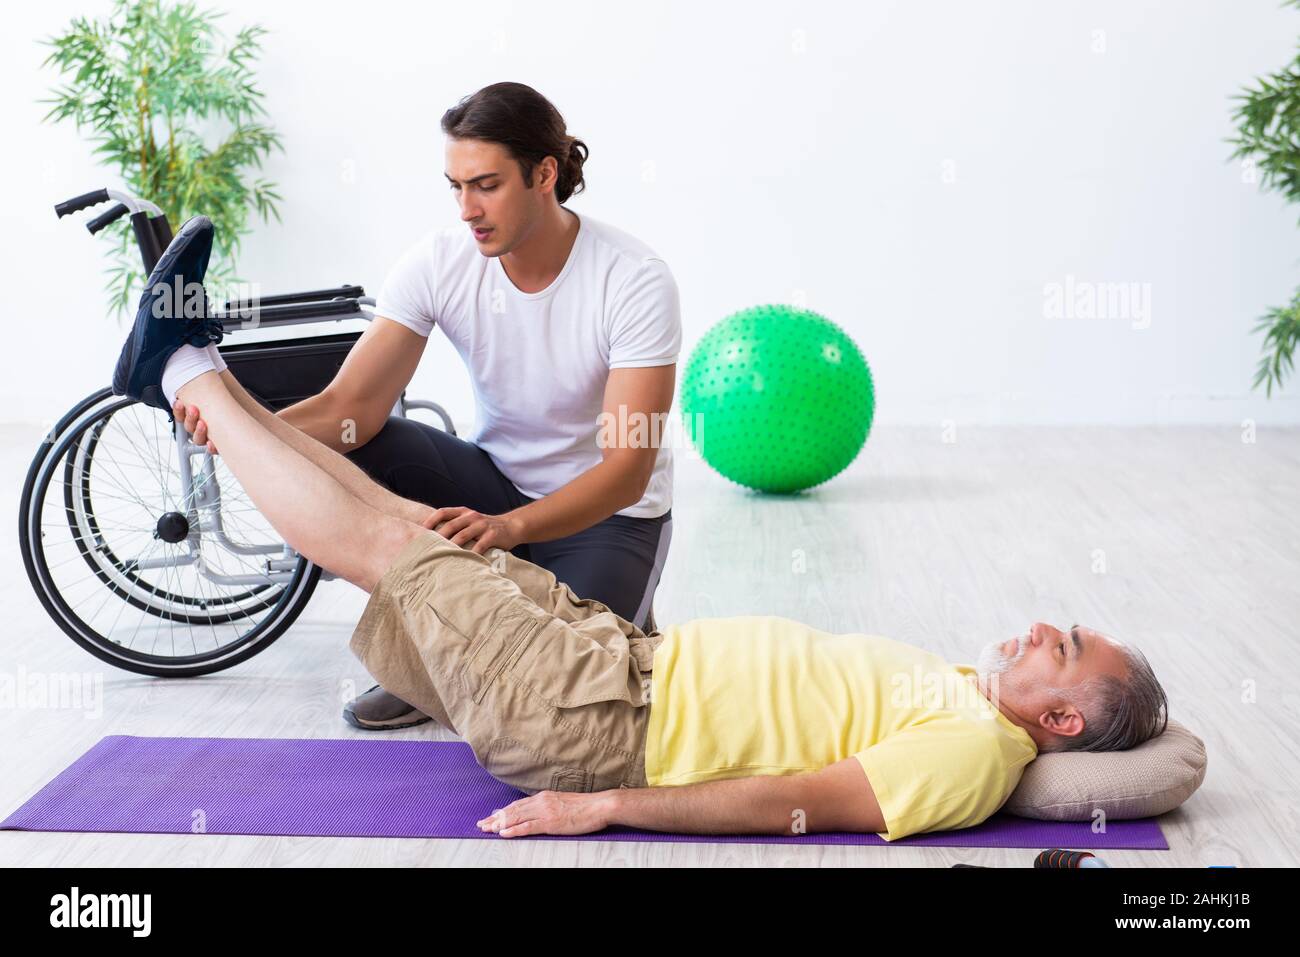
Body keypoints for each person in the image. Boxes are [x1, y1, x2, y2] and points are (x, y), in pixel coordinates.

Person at [114, 216, 1170, 841]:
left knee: (387, 552)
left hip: (600, 718)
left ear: (1062, 723)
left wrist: (606, 807)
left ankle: (178, 369)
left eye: (1064, 650)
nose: (1041, 629)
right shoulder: (969, 697)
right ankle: (193, 372)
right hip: (618, 664)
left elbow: (796, 804)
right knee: (401, 523)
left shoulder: (974, 754)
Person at [174, 82, 681, 732]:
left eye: (487, 185)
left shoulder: (632, 278)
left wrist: (514, 530)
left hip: (610, 517)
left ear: (545, 173)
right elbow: (348, 407)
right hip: (495, 484)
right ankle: (431, 657)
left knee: (566, 699)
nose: (468, 208)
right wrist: (233, 427)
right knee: (369, 442)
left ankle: (611, 614)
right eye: (456, 186)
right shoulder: (440, 263)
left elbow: (627, 472)